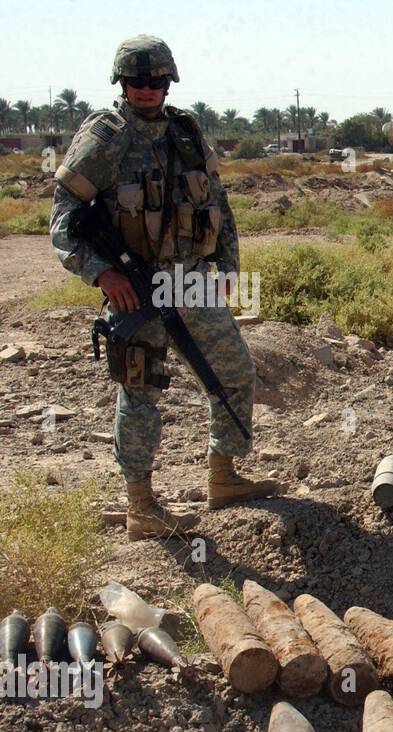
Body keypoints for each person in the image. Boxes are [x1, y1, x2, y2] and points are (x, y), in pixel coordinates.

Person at [50, 35, 278, 540]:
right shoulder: (103, 138)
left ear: (170, 81)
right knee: (141, 390)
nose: (148, 89)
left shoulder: (186, 131)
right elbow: (63, 222)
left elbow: (217, 200)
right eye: (137, 80)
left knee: (235, 371)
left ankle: (223, 475)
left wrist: (228, 264)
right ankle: (142, 506)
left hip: (190, 280)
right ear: (122, 82)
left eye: (156, 80)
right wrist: (104, 275)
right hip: (135, 289)